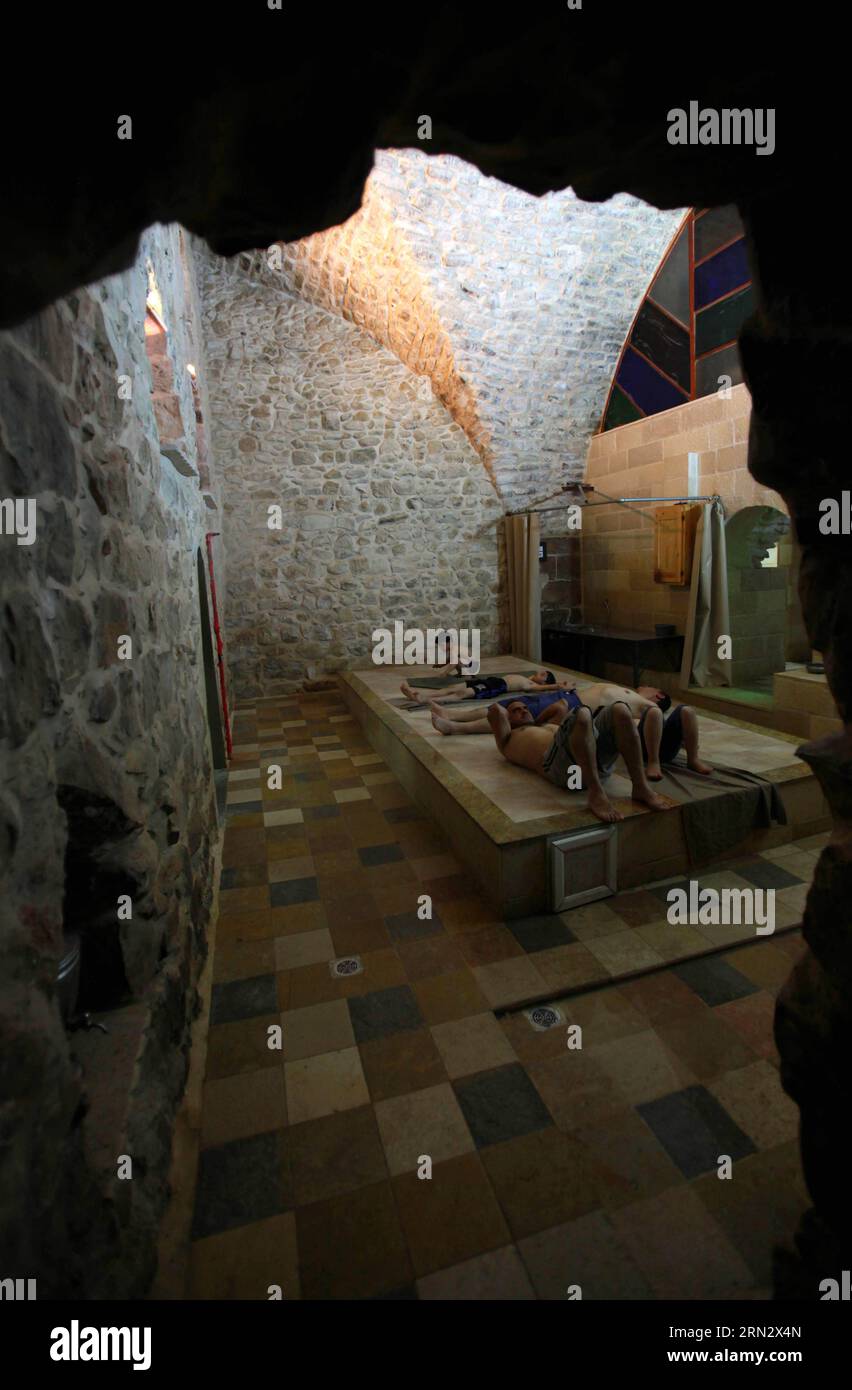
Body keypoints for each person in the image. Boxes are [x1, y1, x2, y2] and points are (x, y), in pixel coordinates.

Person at [487, 697, 670, 824]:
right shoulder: (508, 739)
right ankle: (596, 793)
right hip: (567, 774)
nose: (523, 711)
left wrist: (535, 719)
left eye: (525, 708)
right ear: (508, 718)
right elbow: (495, 710)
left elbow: (561, 704)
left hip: (594, 764)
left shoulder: (547, 725)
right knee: (582, 714)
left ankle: (640, 786)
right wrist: (513, 712)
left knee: (620, 710)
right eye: (516, 711)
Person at [575, 683, 712, 781]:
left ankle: (690, 759)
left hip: (655, 745)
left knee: (685, 710)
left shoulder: (650, 707)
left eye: (650, 686)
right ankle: (654, 761)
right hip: (643, 743)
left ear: (658, 695)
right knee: (655, 713)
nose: (645, 685)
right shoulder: (638, 707)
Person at [431, 687, 582, 736]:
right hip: (558, 695)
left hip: (572, 701)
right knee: (499, 706)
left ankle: (455, 728)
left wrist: (535, 723)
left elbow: (561, 707)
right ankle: (452, 715)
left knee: (514, 715)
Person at [401, 669, 574, 706]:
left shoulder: (531, 685)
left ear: (543, 682)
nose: (540, 672)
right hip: (492, 679)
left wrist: (557, 685)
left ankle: (424, 700)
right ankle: (420, 694)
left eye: (543, 675)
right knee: (453, 687)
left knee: (461, 694)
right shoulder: (526, 676)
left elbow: (546, 688)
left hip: (497, 687)